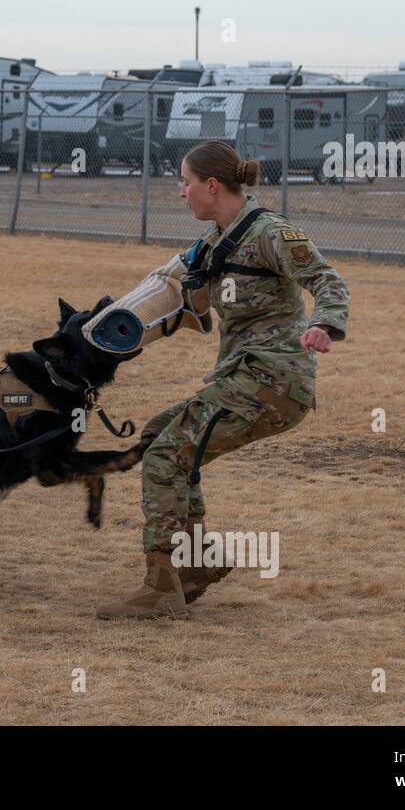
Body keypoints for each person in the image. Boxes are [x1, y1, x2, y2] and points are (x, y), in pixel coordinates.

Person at [90, 140, 350, 619]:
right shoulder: (217, 240)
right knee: (157, 435)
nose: (181, 192)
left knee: (168, 455)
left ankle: (163, 585)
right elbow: (172, 296)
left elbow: (327, 279)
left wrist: (324, 324)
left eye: (186, 182)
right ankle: (197, 564)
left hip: (271, 382)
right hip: (244, 379)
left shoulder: (270, 233)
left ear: (211, 185)